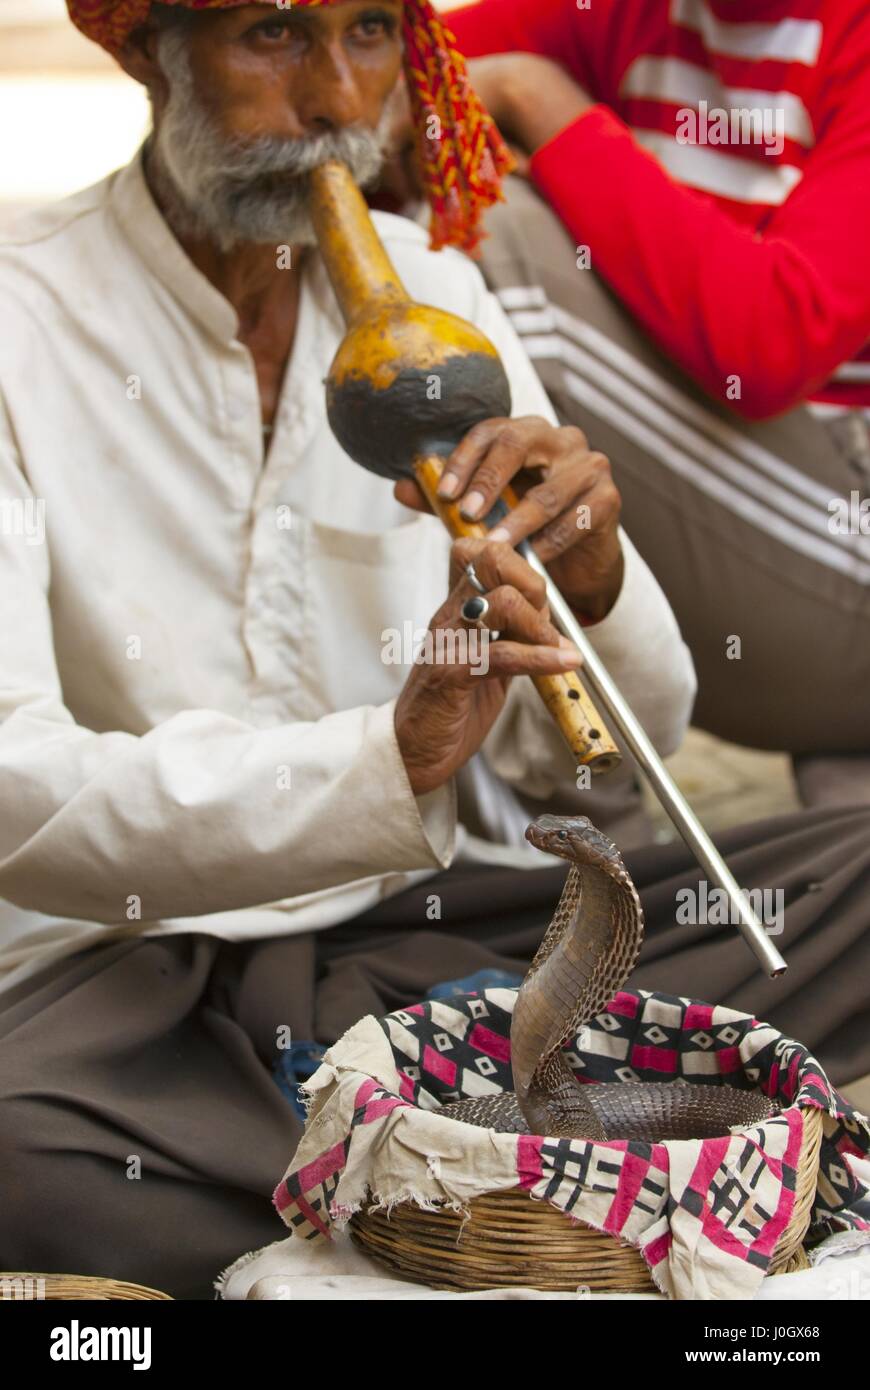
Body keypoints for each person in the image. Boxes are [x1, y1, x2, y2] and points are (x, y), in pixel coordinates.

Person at [0, 0, 866, 1299]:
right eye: (275, 39)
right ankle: (517, 1178)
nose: (341, 101)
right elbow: (15, 782)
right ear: (142, 47)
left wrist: (589, 579)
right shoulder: (21, 311)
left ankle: (392, 1184)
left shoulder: (440, 295)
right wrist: (384, 761)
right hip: (148, 967)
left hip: (444, 929)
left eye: (366, 36)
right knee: (24, 1133)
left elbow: (620, 755)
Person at [436, 0, 870, 800]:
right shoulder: (630, 15)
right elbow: (374, 68)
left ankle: (558, 807)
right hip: (788, 535)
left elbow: (772, 341)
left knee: (497, 240)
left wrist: (538, 99)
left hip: (848, 528)